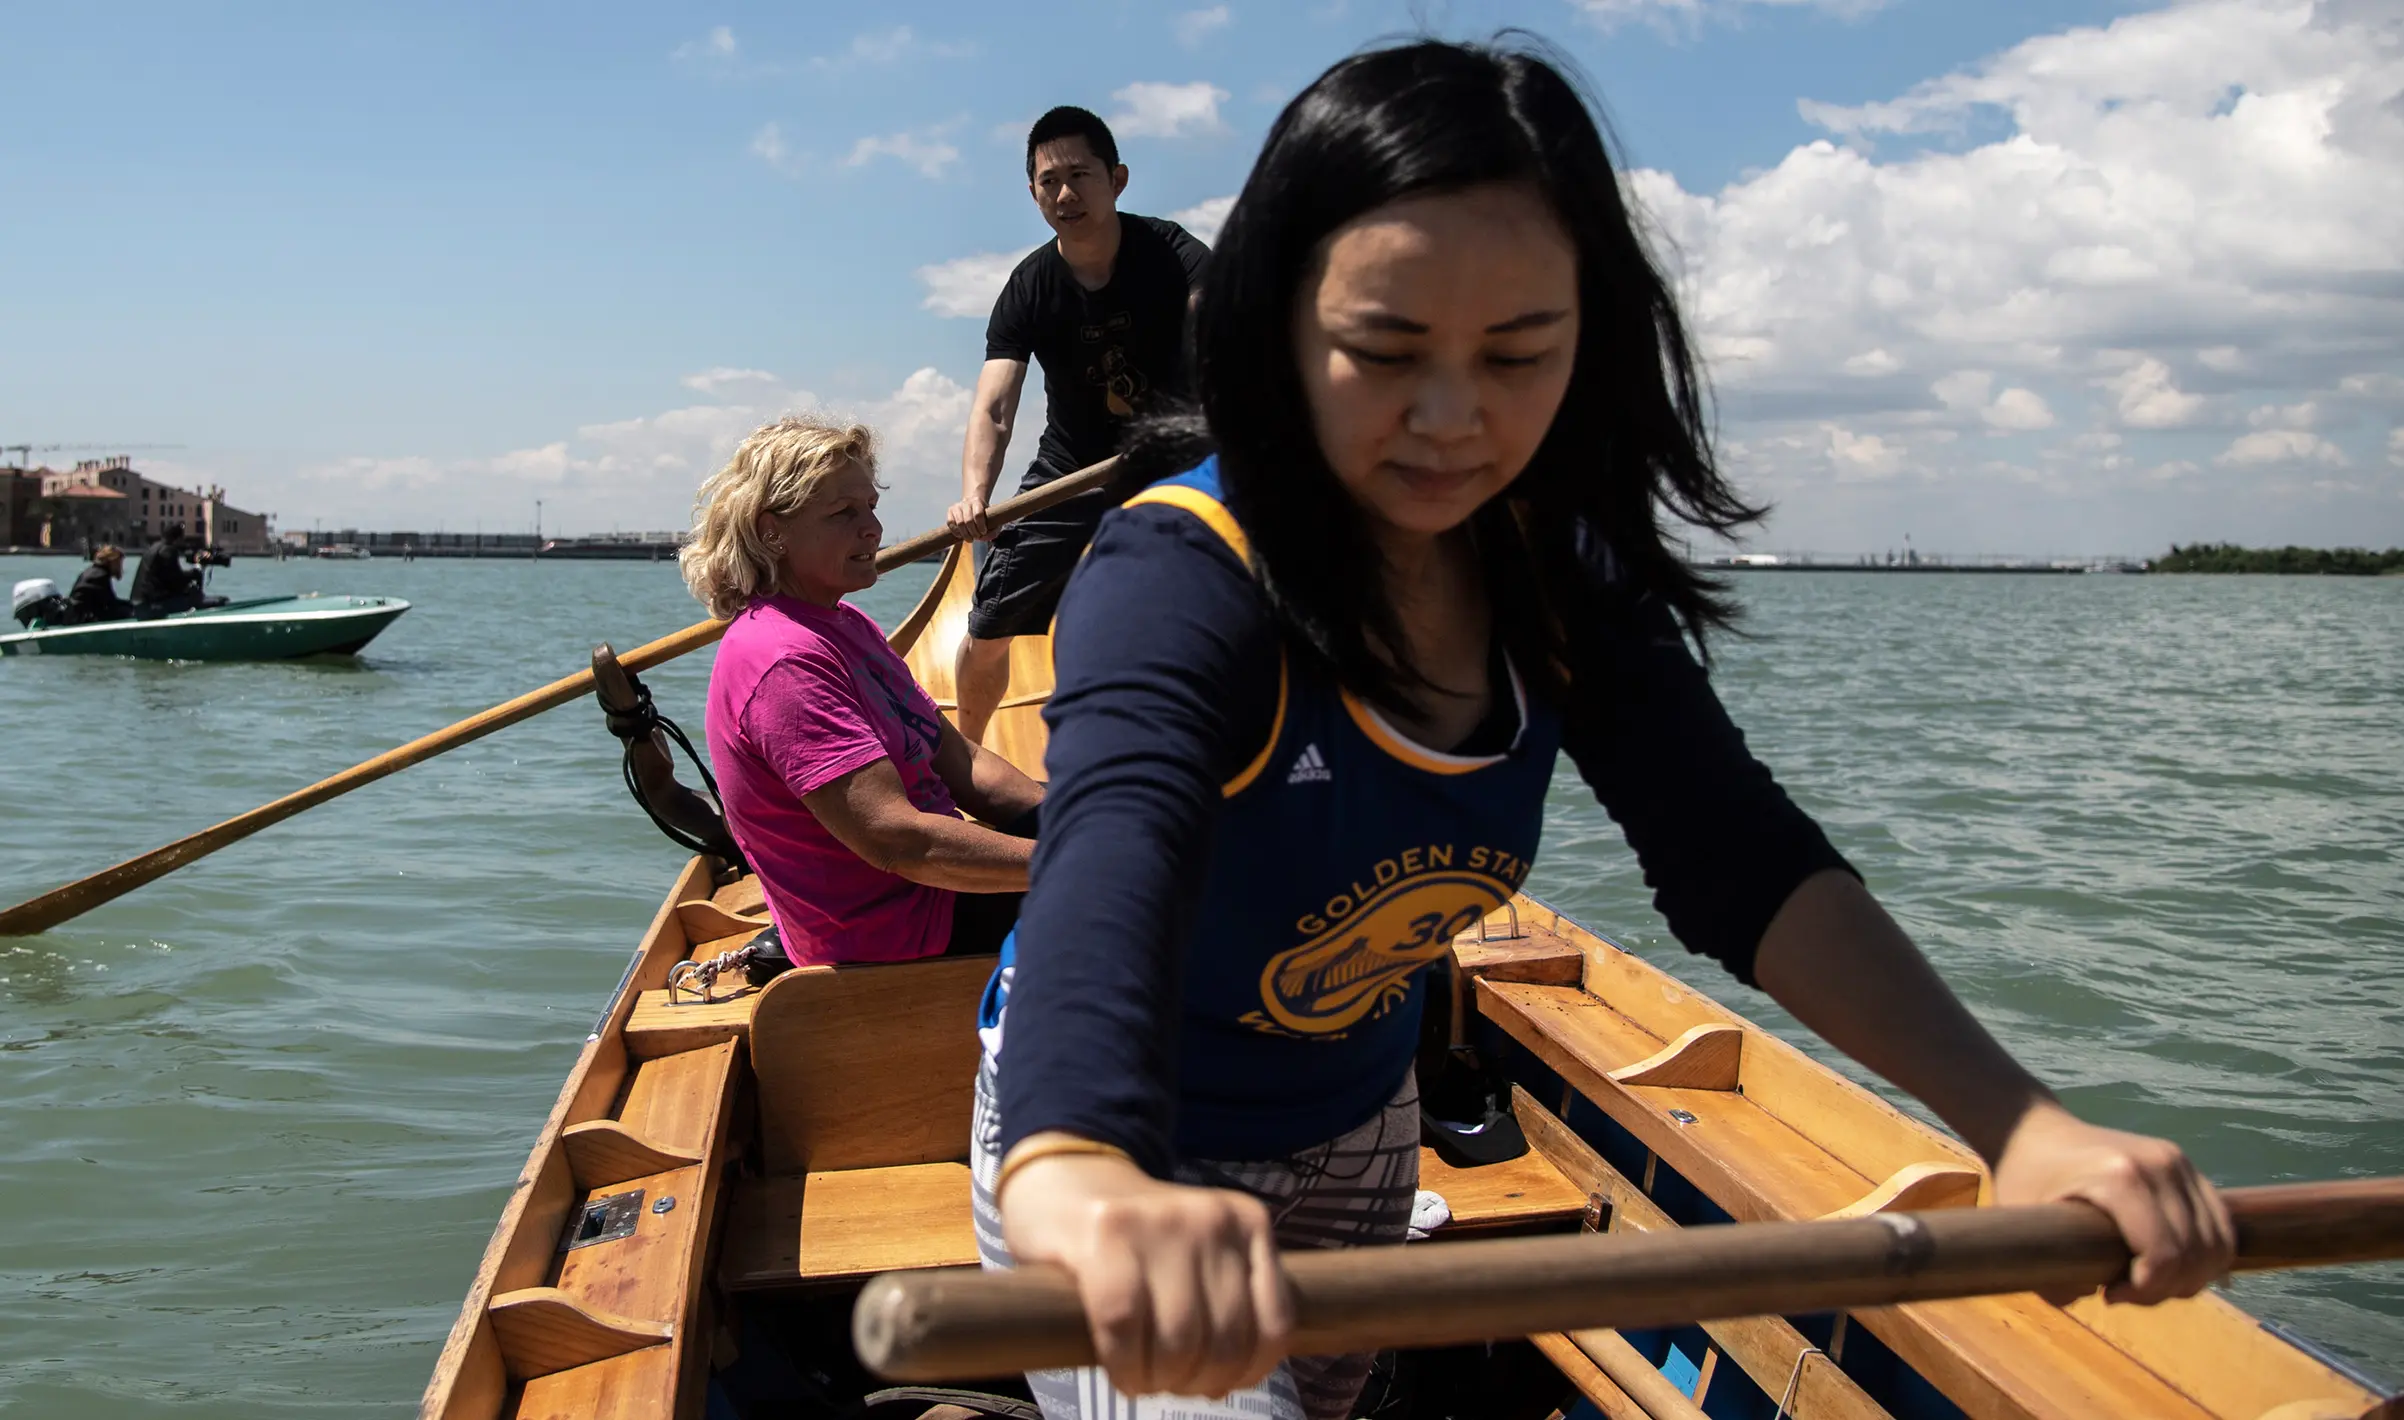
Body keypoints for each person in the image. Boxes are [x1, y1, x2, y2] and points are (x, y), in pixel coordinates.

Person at [972, 40, 2238, 1418]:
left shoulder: (1553, 570)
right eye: (1383, 352)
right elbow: (1103, 871)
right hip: (1123, 1152)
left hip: (1356, 1127)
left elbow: (1737, 858)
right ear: (1274, 330)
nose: (1454, 419)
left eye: (1517, 354)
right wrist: (1079, 1178)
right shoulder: (1180, 576)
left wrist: (2022, 1122)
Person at [682, 415, 1044, 968]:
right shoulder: (783, 662)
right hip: (894, 932)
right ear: (772, 530)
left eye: (871, 507)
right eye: (843, 513)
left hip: (932, 894)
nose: (872, 528)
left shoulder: (844, 622)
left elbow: (958, 758)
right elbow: (895, 840)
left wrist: (1068, 817)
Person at [943, 104, 1210, 743]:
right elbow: (995, 406)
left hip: (1178, 460)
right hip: (1072, 470)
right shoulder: (1030, 286)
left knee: (1235, 595)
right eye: (1048, 181)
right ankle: (966, 774)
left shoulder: (1176, 256)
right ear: (1033, 193)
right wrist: (976, 495)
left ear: (1116, 179)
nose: (1065, 193)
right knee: (987, 629)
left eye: (1080, 176)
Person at [129, 523, 222, 618]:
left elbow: (168, 578)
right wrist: (196, 572)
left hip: (139, 604)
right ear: (178, 539)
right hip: (153, 606)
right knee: (214, 601)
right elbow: (176, 582)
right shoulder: (168, 550)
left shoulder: (152, 548)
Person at [64, 545, 133, 625]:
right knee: (125, 611)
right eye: (119, 563)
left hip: (75, 616)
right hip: (80, 619)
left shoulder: (93, 571)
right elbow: (110, 604)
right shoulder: (100, 576)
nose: (120, 567)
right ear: (112, 561)